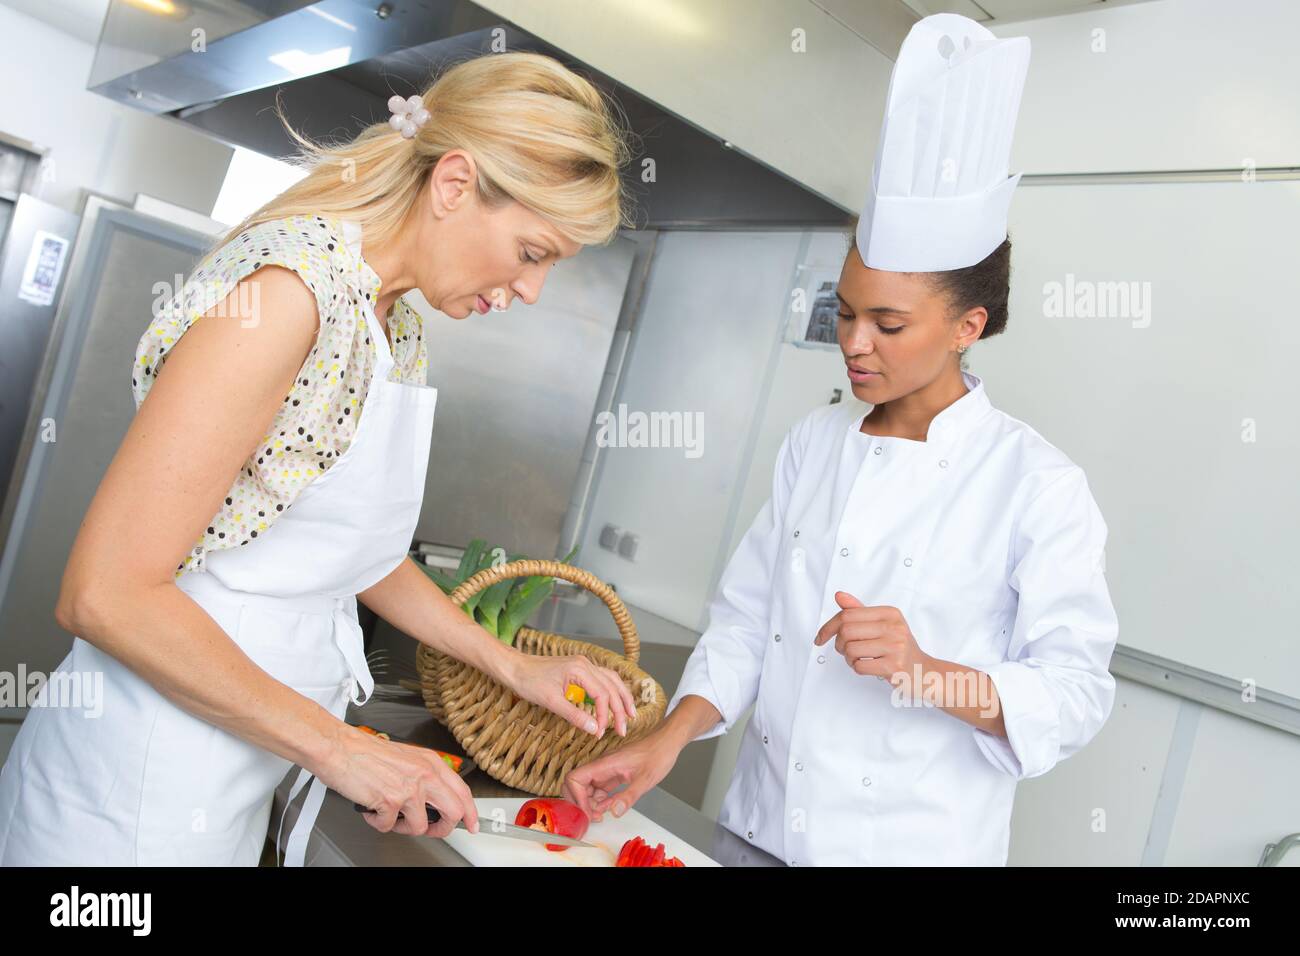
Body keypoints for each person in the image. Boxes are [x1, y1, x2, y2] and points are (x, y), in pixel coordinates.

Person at [0, 52, 638, 866]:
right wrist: (343, 751)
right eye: (532, 251)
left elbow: (347, 549)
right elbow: (104, 593)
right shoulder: (286, 294)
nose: (532, 290)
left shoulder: (392, 324)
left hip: (241, 765)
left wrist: (509, 664)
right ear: (453, 185)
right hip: (136, 787)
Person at [565, 14, 1119, 866]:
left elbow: (1077, 695)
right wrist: (666, 742)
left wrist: (923, 669)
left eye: (888, 324)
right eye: (847, 312)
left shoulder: (1037, 483)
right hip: (756, 829)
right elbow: (748, 624)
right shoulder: (815, 442)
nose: (854, 342)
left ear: (968, 325)